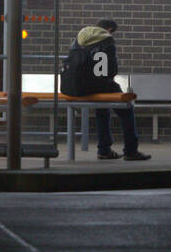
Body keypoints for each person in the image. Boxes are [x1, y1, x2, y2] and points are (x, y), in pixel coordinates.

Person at [63, 18, 150, 161]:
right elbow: (109, 70)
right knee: (127, 109)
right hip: (100, 85)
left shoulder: (78, 39)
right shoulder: (107, 40)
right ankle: (131, 151)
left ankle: (104, 149)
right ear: (109, 30)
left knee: (102, 111)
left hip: (77, 86)